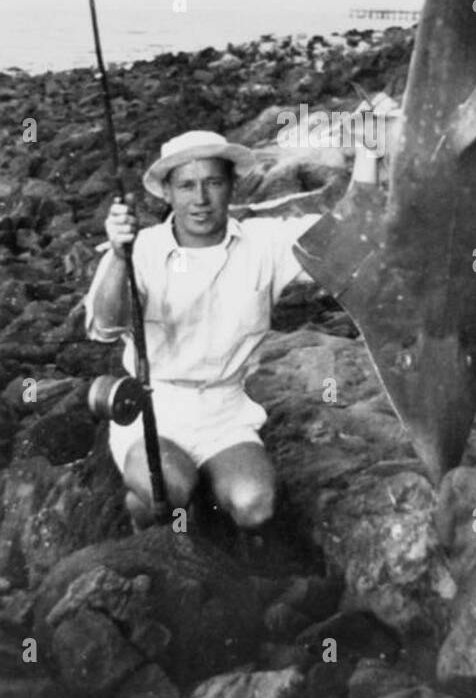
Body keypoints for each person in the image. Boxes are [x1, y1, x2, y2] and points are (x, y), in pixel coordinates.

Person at [85, 130, 320, 531]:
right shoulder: (139, 248)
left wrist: (368, 160)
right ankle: (157, 504)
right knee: (167, 491)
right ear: (167, 193)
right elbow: (105, 326)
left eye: (213, 182)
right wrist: (118, 255)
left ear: (232, 186)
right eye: (186, 185)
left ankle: (208, 493)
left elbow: (346, 231)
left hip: (226, 411)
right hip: (157, 406)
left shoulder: (266, 243)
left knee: (256, 506)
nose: (200, 199)